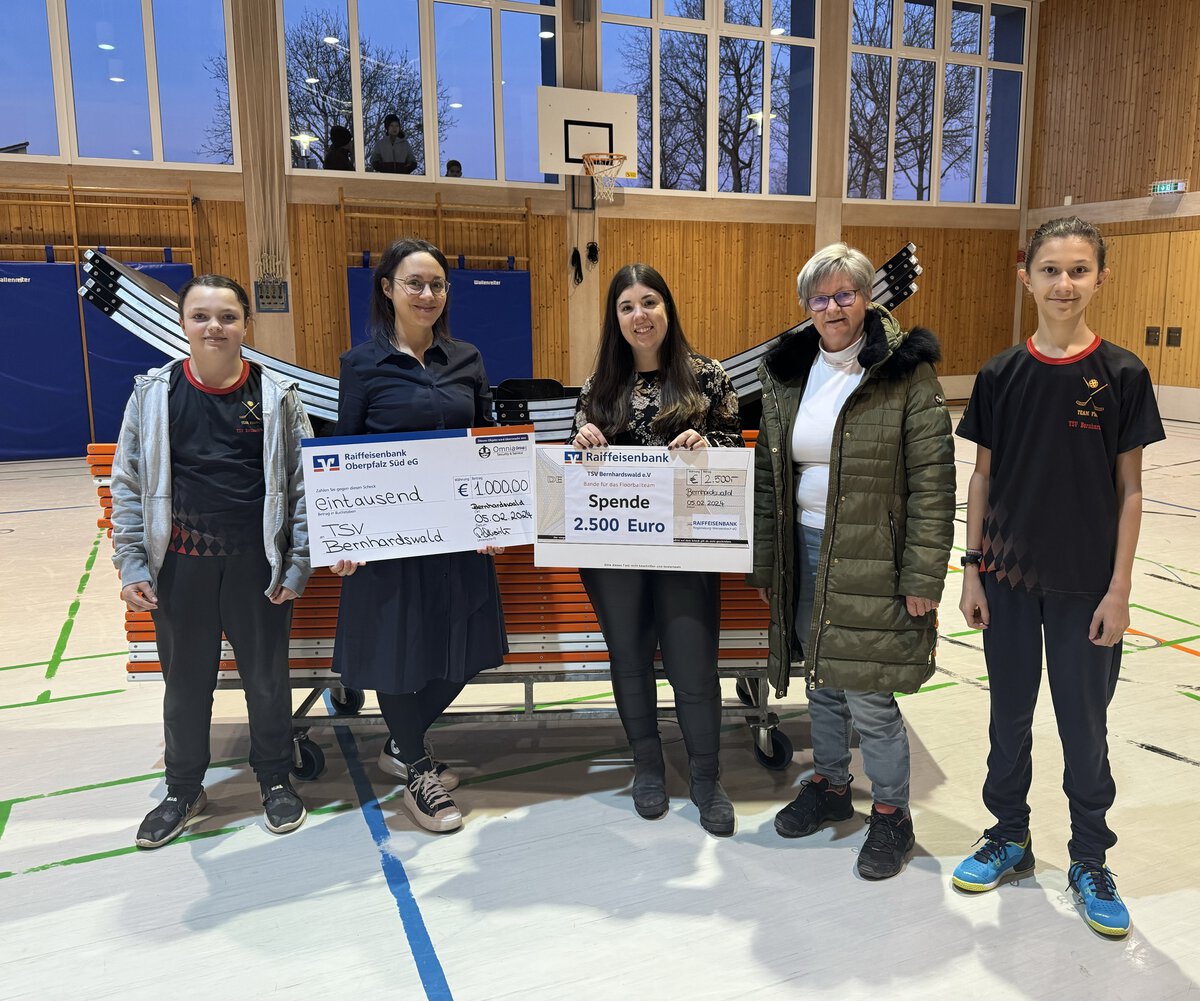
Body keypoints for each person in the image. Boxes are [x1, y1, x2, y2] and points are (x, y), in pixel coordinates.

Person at [951, 217, 1165, 937]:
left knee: (1085, 729)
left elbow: (1131, 490)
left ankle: (1089, 856)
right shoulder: (1000, 375)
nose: (1064, 283)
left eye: (1078, 269)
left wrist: (1119, 589)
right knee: (1007, 721)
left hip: (1086, 592)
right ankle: (1008, 834)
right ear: (1027, 277)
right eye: (1050, 269)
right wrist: (973, 569)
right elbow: (980, 479)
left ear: (1100, 278)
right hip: (1007, 582)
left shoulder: (1125, 375)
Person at [747, 243, 955, 879]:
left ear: (868, 298)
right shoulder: (788, 373)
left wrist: (923, 575)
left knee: (870, 696)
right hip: (805, 550)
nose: (833, 307)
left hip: (875, 557)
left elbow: (933, 478)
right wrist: (769, 563)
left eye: (845, 294)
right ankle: (833, 787)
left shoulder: (904, 373)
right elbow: (767, 475)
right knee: (824, 683)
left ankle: (892, 814)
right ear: (806, 305)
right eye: (820, 296)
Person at [110, 275, 312, 848]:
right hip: (180, 566)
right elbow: (127, 483)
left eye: (227, 316)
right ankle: (182, 789)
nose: (214, 327)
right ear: (183, 324)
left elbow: (301, 488)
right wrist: (132, 564)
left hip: (257, 564)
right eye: (201, 316)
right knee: (186, 685)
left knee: (268, 682)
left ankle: (275, 779)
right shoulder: (154, 395)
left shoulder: (276, 398)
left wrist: (295, 564)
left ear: (246, 326)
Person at [330, 238, 505, 834]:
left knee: (466, 650)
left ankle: (404, 743)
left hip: (457, 538)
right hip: (390, 540)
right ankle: (417, 770)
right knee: (400, 656)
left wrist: (495, 516)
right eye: (414, 284)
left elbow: (487, 444)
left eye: (436, 285)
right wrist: (344, 536)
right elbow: (346, 453)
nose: (427, 294)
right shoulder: (360, 365)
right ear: (387, 289)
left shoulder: (468, 358)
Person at [571, 263, 744, 836]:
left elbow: (731, 448)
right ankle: (647, 766)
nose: (639, 315)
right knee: (629, 658)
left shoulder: (707, 376)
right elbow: (578, 461)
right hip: (614, 551)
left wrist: (707, 443)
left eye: (649, 302)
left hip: (688, 548)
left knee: (694, 663)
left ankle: (704, 775)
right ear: (615, 319)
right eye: (626, 307)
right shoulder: (600, 384)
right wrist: (585, 442)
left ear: (667, 309)